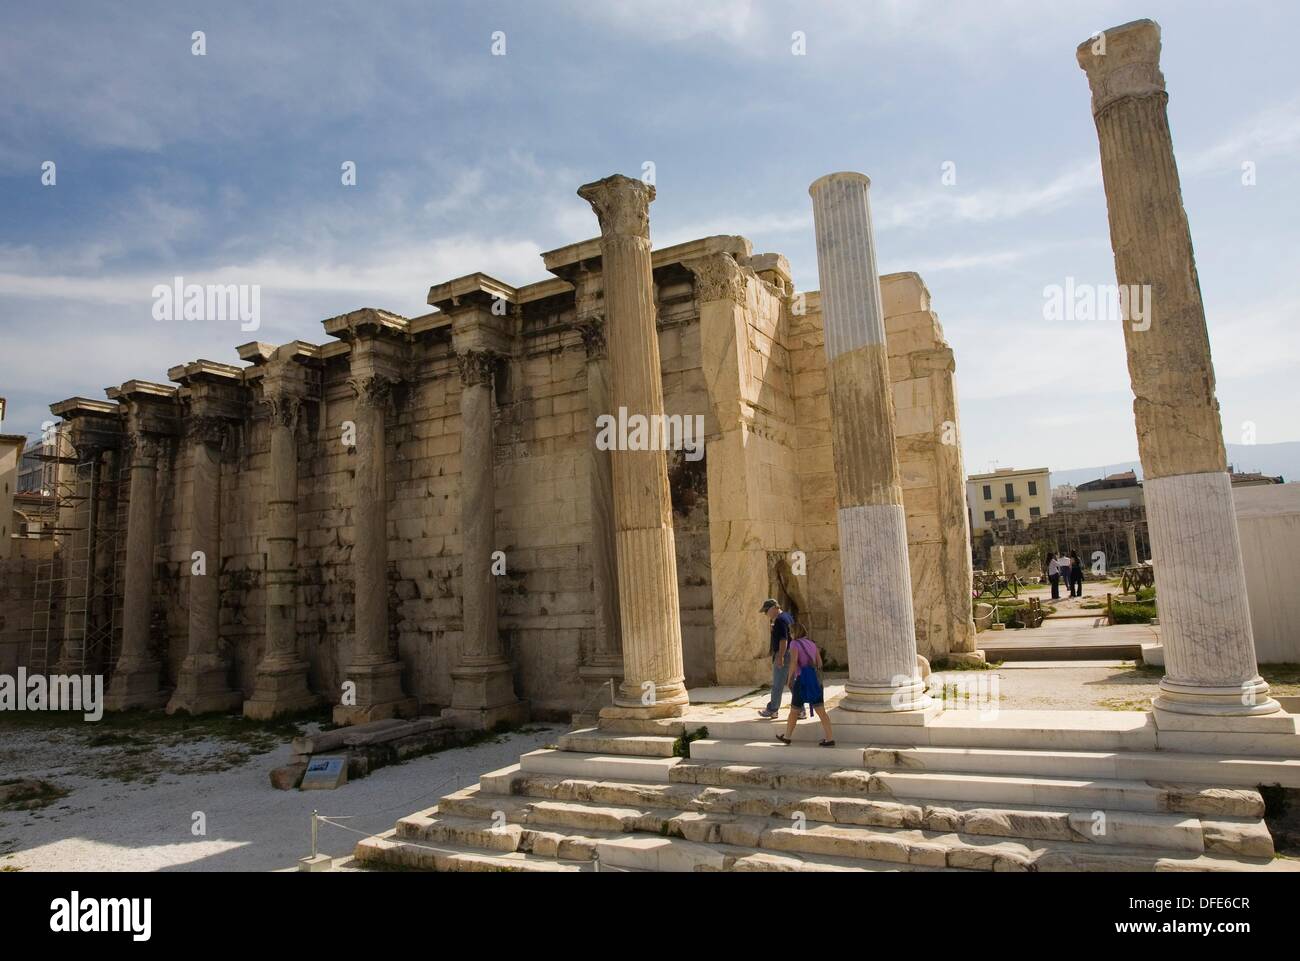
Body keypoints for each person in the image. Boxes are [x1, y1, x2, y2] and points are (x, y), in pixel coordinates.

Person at [775, 623, 835, 747]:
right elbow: (819, 663)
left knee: (794, 710)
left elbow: (793, 661)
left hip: (802, 681)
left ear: (794, 632)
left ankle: (787, 737)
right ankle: (829, 739)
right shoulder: (812, 644)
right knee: (821, 711)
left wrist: (790, 678)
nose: (790, 635)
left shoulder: (794, 644)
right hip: (814, 681)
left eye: (791, 632)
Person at [758, 599, 793, 719]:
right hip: (792, 653)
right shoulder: (787, 616)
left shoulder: (780, 620)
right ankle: (800, 710)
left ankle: (773, 709)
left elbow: (784, 640)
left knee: (778, 684)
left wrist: (780, 656)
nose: (765, 614)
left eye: (766, 611)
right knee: (792, 683)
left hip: (784, 654)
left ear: (774, 608)